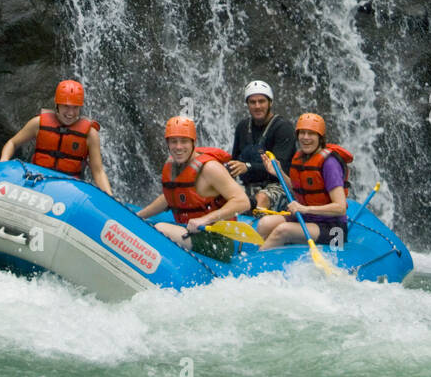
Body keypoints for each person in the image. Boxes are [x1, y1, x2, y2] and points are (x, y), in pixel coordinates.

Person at [137, 116, 248, 254]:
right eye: (173, 142)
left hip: (218, 241)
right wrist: (138, 216)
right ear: (167, 143)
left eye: (184, 141)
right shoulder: (173, 164)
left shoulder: (210, 168)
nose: (178, 147)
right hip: (190, 231)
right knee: (148, 227)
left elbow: (243, 202)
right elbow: (170, 197)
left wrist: (205, 219)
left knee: (160, 229)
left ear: (194, 142)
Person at [0, 78, 113, 195]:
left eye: (75, 107)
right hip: (37, 179)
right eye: (66, 106)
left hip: (69, 187)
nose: (70, 113)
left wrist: (110, 196)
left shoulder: (90, 134)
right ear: (57, 105)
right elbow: (12, 143)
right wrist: (3, 163)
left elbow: (98, 171)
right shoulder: (37, 123)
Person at [256, 113, 351, 250]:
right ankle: (270, 256)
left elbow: (340, 208)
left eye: (311, 133)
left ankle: (258, 264)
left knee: (283, 230)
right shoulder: (300, 157)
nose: (306, 138)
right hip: (307, 219)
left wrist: (304, 209)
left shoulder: (329, 163)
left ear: (320, 137)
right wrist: (279, 173)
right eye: (302, 133)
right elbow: (298, 191)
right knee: (264, 224)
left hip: (332, 228)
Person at [227, 80, 295, 213]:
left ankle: (256, 228)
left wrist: (247, 167)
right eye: (252, 102)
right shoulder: (242, 126)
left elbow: (280, 166)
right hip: (247, 185)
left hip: (278, 185)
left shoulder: (283, 128)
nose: (257, 106)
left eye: (262, 101)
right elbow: (234, 160)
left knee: (261, 198)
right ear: (247, 104)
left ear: (270, 102)